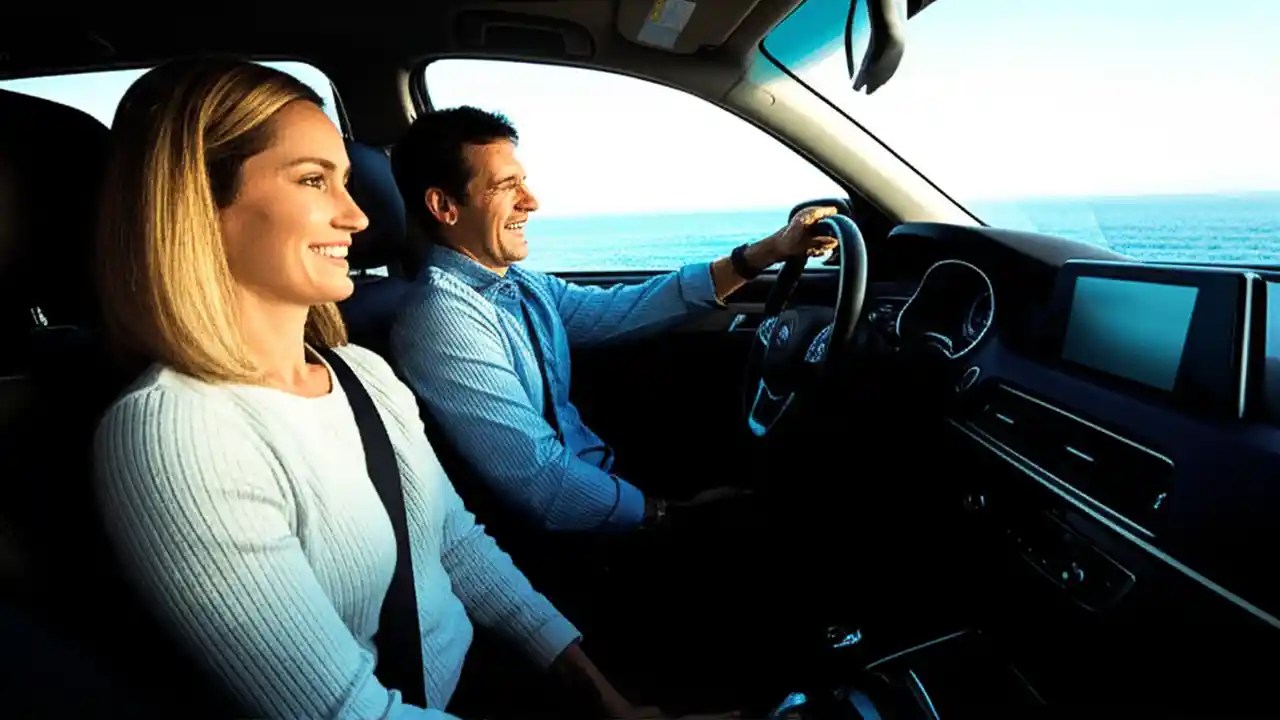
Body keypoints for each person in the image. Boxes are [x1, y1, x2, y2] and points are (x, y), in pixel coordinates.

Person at [90, 58, 662, 720]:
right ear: (196, 204)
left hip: (482, 676)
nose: (357, 216)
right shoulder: (178, 433)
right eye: (312, 180)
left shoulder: (361, 372)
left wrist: (601, 693)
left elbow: (456, 544)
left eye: (346, 181)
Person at [387, 106, 838, 535]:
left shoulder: (522, 287)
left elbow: (629, 307)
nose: (532, 201)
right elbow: (543, 485)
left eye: (524, 182)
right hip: (563, 538)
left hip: (600, 477)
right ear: (445, 207)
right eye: (507, 186)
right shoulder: (442, 318)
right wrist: (666, 515)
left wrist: (771, 250)